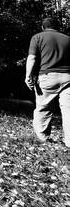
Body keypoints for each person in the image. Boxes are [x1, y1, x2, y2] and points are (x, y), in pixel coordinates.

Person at [25, 16, 70, 146]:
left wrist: (28, 75)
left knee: (43, 107)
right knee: (68, 110)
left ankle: (42, 138)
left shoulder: (37, 37)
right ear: (57, 27)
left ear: (43, 27)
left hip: (47, 76)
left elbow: (32, 58)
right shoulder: (67, 38)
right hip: (68, 77)